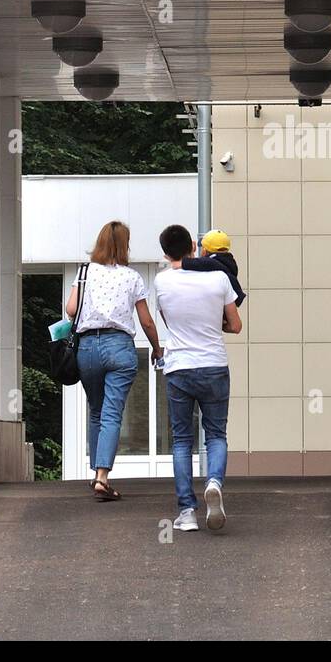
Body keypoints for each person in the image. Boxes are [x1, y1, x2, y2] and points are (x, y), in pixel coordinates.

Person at [152, 224, 242, 532]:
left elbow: (168, 320)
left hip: (178, 366)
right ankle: (214, 482)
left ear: (165, 253)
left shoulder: (161, 281)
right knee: (216, 434)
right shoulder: (219, 278)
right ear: (194, 245)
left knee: (181, 440)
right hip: (214, 364)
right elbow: (236, 324)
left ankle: (187, 512)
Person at [66, 220, 163, 502]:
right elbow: (146, 320)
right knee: (111, 413)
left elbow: (71, 309)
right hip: (119, 347)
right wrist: (157, 348)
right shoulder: (132, 277)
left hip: (87, 348)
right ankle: (102, 477)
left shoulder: (84, 272)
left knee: (96, 410)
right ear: (124, 245)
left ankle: (96, 472)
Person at [179, 228, 246, 305]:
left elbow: (190, 263)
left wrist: (190, 252)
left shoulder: (210, 263)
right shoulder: (229, 262)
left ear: (204, 250)